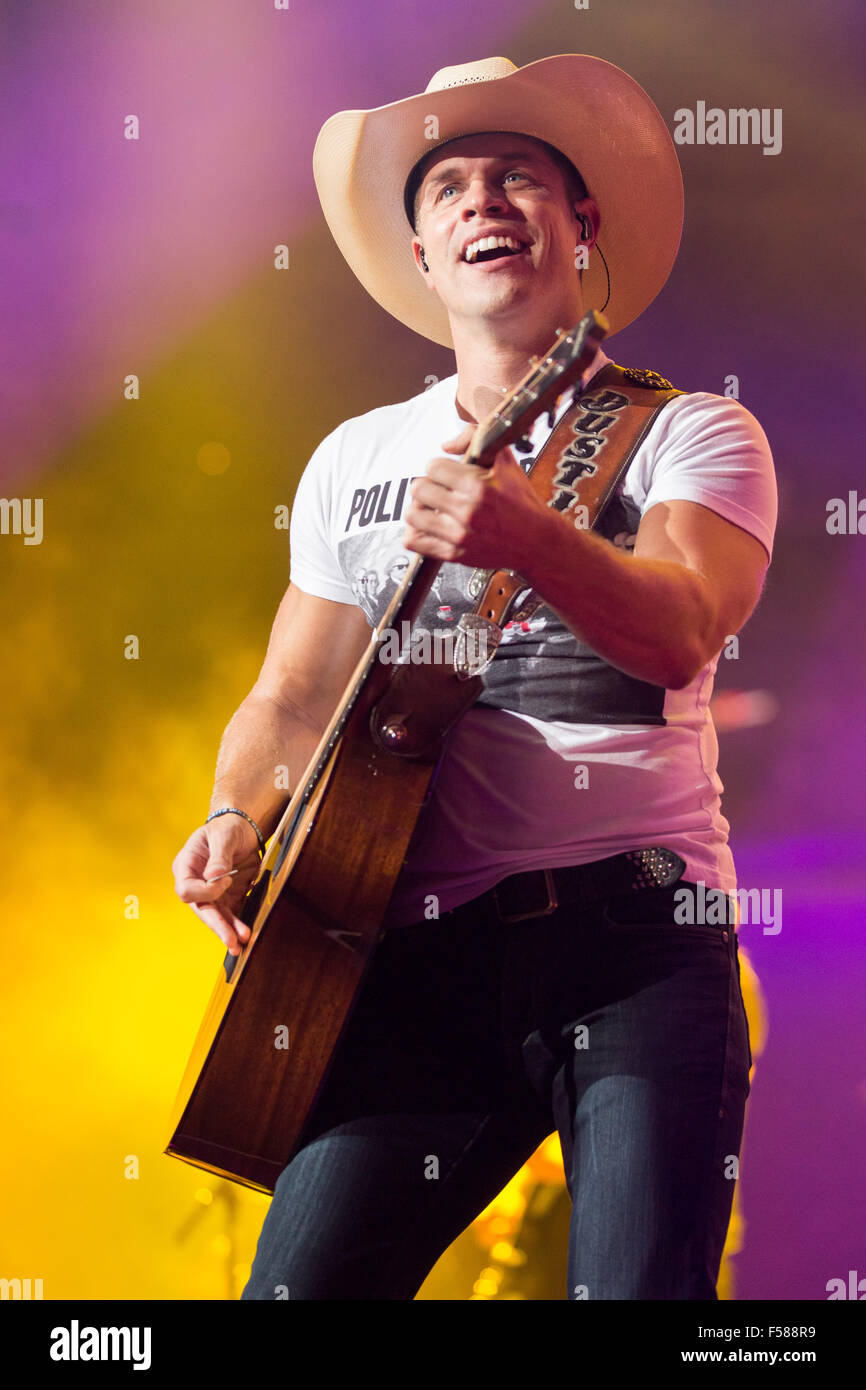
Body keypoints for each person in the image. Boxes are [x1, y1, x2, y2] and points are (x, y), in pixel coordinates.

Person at [172, 54, 777, 1300]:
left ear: (580, 221)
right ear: (422, 249)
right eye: (448, 186)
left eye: (518, 178)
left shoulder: (688, 431)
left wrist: (525, 538)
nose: (481, 200)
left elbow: (677, 632)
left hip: (639, 940)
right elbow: (290, 699)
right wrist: (238, 817)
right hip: (411, 954)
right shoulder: (355, 457)